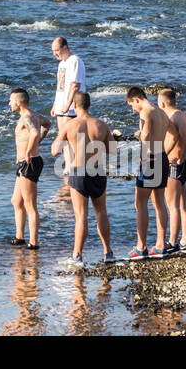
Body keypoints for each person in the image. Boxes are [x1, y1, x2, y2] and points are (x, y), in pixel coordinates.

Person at [51, 91, 114, 267]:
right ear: (89, 105)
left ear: (74, 106)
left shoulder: (70, 125)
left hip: (78, 172)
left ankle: (77, 256)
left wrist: (64, 143)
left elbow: (55, 150)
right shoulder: (101, 124)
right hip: (98, 171)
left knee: (81, 216)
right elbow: (112, 150)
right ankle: (108, 252)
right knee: (101, 212)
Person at [126, 87, 171, 258]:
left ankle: (141, 247)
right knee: (159, 202)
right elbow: (174, 133)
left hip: (150, 159)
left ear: (136, 99)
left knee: (140, 203)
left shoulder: (145, 112)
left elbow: (145, 135)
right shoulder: (161, 112)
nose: (133, 109)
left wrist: (142, 156)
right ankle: (160, 245)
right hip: (162, 157)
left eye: (132, 105)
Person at [8, 88, 47, 248]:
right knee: (16, 201)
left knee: (30, 205)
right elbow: (47, 124)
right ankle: (19, 237)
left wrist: (30, 150)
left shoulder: (27, 117)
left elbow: (35, 132)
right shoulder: (34, 115)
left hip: (29, 162)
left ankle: (34, 242)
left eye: (11, 100)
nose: (9, 103)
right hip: (24, 163)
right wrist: (37, 143)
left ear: (19, 102)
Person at [158, 88, 186, 253]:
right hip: (181, 164)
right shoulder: (182, 115)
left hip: (174, 165)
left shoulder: (173, 117)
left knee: (172, 205)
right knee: (183, 204)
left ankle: (173, 242)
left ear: (162, 103)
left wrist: (181, 157)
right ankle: (185, 241)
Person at [49, 36, 86, 125]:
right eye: (53, 51)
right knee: (61, 133)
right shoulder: (61, 64)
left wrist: (68, 105)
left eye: (56, 50)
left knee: (73, 132)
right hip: (60, 107)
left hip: (72, 108)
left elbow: (75, 85)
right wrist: (55, 105)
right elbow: (60, 86)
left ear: (65, 48)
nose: (54, 53)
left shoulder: (75, 61)